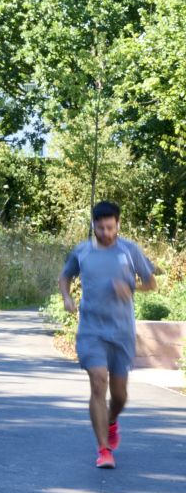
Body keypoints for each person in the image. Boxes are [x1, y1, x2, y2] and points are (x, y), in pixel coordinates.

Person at [59, 201, 158, 469]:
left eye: (110, 227)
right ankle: (103, 449)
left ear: (118, 225)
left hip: (122, 332)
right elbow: (65, 276)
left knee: (120, 395)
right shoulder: (82, 252)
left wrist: (132, 288)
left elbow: (151, 282)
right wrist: (67, 298)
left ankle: (112, 420)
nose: (105, 232)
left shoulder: (129, 250)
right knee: (98, 382)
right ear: (93, 225)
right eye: (100, 227)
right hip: (91, 330)